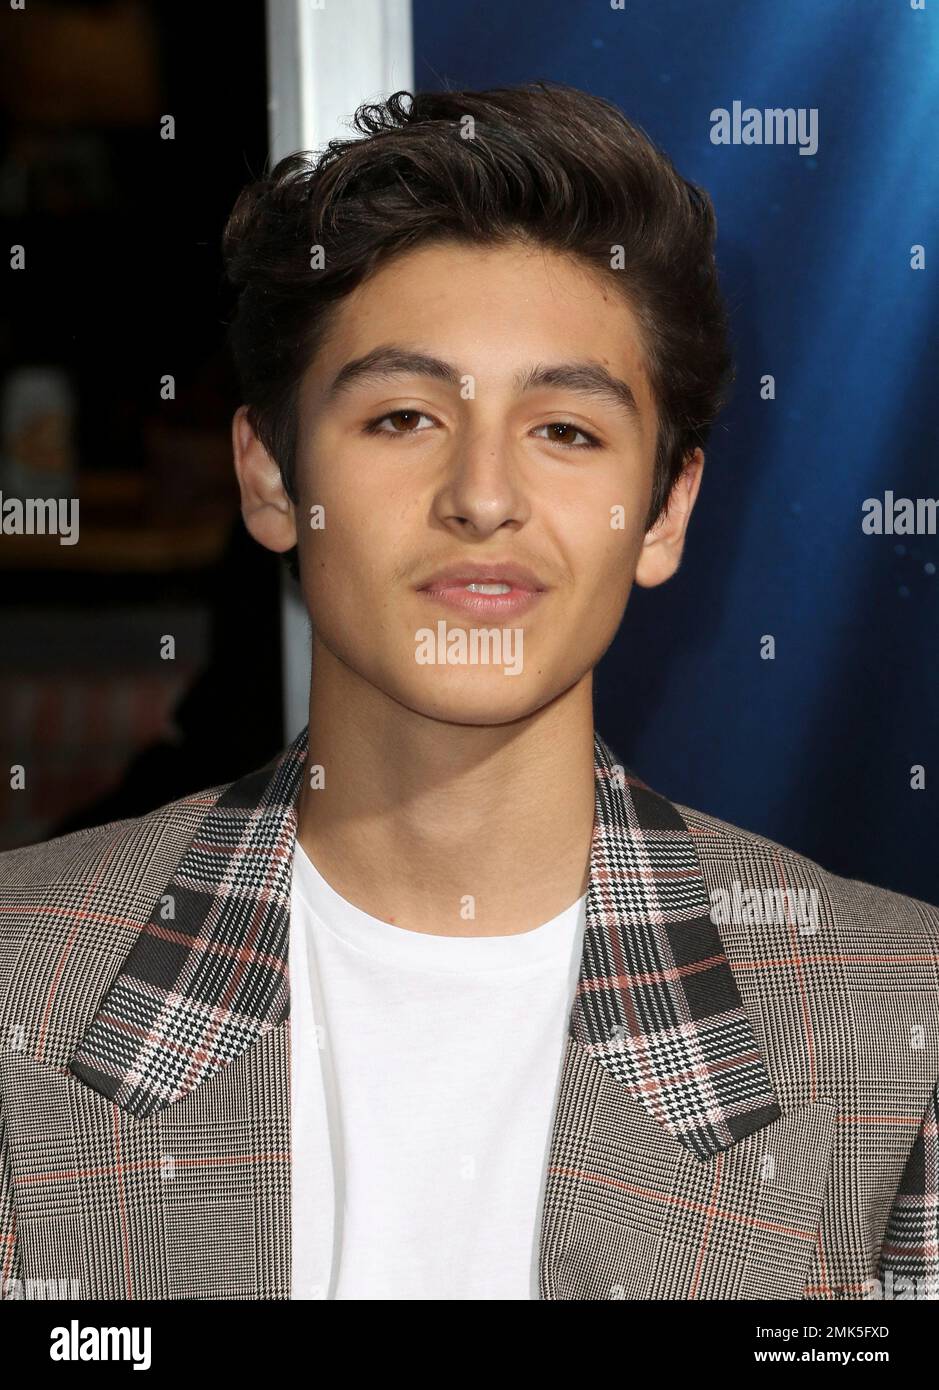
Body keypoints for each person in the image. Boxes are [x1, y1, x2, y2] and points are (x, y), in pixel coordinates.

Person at [1, 83, 936, 1302]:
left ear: (666, 511)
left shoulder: (899, 1026)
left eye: (566, 431)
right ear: (271, 478)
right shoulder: (22, 979)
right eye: (403, 415)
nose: (483, 496)